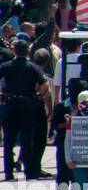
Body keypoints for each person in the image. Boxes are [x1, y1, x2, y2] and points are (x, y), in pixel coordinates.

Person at [1, 38, 52, 179]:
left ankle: (8, 173)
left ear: (14, 51)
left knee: (9, 140)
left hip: (11, 103)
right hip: (28, 104)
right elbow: (45, 84)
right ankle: (29, 172)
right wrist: (38, 95)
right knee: (27, 139)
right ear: (28, 51)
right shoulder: (33, 67)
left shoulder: (6, 66)